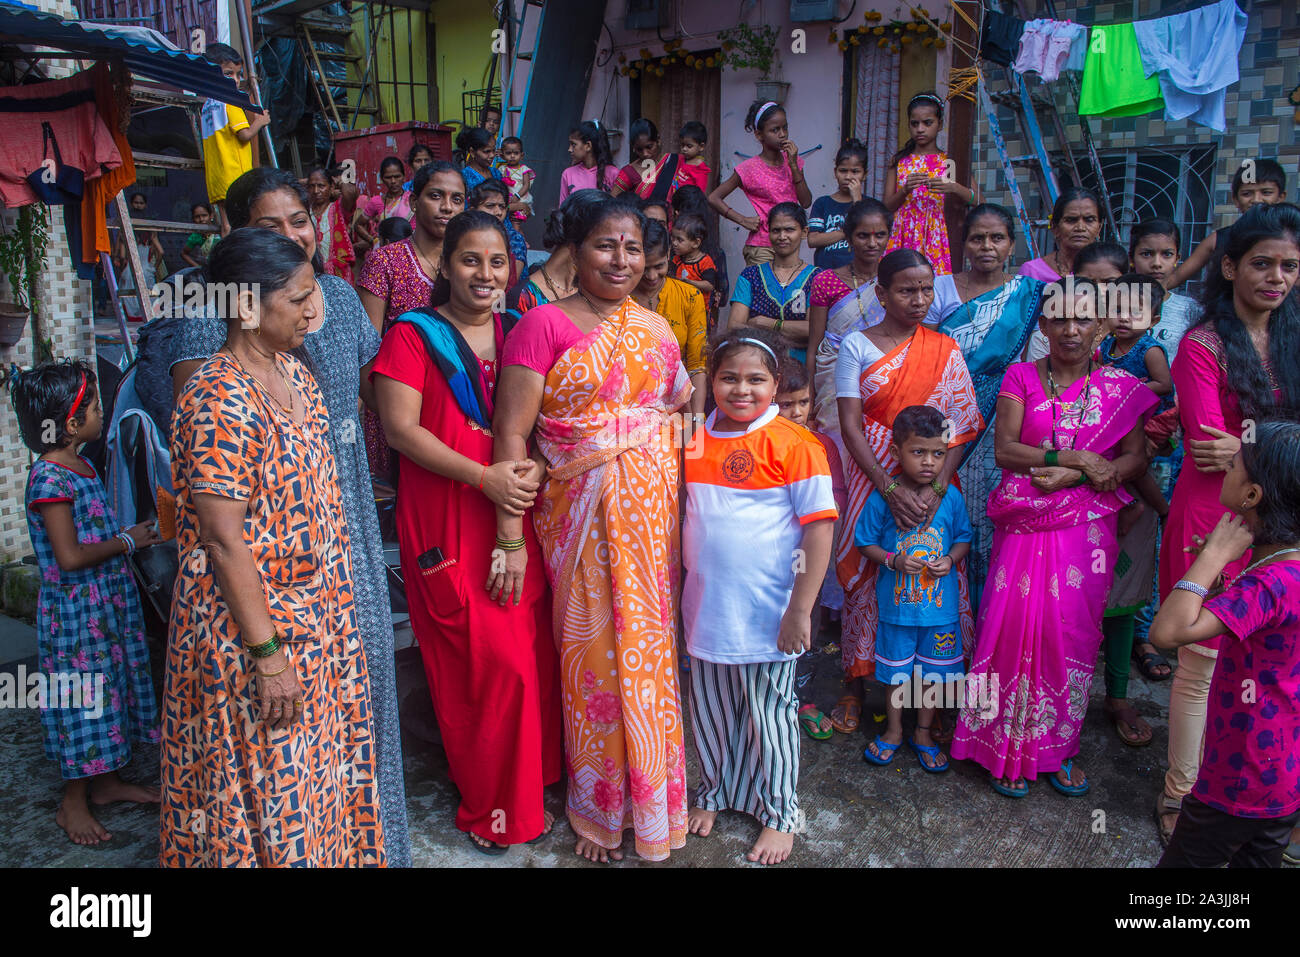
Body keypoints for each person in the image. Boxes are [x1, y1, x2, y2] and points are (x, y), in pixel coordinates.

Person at [168, 166, 412, 866]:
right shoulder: (218, 391)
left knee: (321, 770)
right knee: (265, 787)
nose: (315, 313)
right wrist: (269, 652)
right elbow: (221, 534)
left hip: (322, 603)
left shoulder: (295, 372)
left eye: (313, 292)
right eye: (299, 299)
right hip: (259, 620)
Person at [493, 196, 693, 863]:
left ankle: (655, 804)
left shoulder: (659, 330)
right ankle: (600, 806)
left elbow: (675, 417)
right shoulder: (541, 326)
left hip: (650, 525)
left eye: (633, 248)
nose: (622, 260)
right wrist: (511, 536)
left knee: (652, 657)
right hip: (578, 518)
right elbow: (514, 435)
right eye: (606, 245)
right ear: (573, 250)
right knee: (597, 664)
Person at [371, 210, 561, 854]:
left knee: (532, 652)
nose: (485, 274)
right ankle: (495, 810)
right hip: (449, 518)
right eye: (470, 260)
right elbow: (402, 431)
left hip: (517, 512)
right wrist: (485, 479)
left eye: (498, 261)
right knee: (487, 663)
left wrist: (525, 475)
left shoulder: (519, 331)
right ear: (443, 266)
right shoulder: (412, 335)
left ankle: (535, 782)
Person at [951, 276, 1157, 799]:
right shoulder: (1021, 376)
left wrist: (1082, 475)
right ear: (1041, 325)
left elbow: (1135, 457)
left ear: (1102, 325)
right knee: (1012, 623)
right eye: (1058, 318)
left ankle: (1058, 749)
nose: (1070, 329)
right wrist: (1072, 458)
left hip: (1085, 529)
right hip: (1024, 521)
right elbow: (1006, 451)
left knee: (1070, 631)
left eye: (1083, 318)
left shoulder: (1121, 389)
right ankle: (1000, 745)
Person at [1155, 202, 1300, 846]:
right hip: (1218, 510)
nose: (1278, 278)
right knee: (1201, 658)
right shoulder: (1202, 342)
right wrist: (1275, 442)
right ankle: (1182, 793)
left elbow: (1235, 443)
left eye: (1291, 266)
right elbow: (1209, 444)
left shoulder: (1296, 336)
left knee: (1276, 658)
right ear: (1232, 265)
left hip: (1285, 513)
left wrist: (1252, 440)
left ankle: (1269, 785)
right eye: (1263, 263)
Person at [682, 329, 836, 865]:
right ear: (711, 381)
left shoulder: (797, 444)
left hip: (769, 613)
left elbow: (819, 532)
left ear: (776, 384)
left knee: (770, 715)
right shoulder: (695, 437)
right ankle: (714, 793)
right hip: (705, 610)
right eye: (728, 377)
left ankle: (780, 813)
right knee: (710, 712)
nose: (741, 389)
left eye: (756, 379)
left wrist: (800, 609)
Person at [11, 361, 162, 845]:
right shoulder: (49, 480)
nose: (103, 414)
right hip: (77, 616)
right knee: (83, 701)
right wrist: (128, 541)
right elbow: (70, 557)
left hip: (105, 606)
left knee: (111, 692)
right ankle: (71, 801)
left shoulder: (83, 463)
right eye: (96, 407)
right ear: (73, 423)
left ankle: (106, 783)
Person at [834, 249, 982, 734]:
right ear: (881, 293)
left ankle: (929, 703)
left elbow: (959, 429)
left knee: (935, 576)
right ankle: (856, 686)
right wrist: (888, 486)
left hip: (934, 479)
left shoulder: (945, 348)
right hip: (871, 474)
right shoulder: (856, 344)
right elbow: (851, 426)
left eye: (925, 289)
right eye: (906, 290)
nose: (918, 300)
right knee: (867, 575)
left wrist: (936, 489)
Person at [1151, 421, 1300, 868]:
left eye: (1233, 466)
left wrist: (1211, 556)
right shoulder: (1285, 565)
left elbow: (1166, 634)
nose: (1225, 470)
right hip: (1283, 772)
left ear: (1251, 496)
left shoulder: (1272, 581)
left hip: (1240, 775)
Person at [934, 205, 1045, 613]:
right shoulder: (940, 288)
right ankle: (945, 619)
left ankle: (991, 616)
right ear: (964, 244)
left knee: (993, 515)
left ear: (1011, 245)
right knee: (945, 510)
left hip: (1004, 417)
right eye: (978, 238)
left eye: (996, 238)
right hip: (944, 417)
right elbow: (924, 353)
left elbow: (1033, 362)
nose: (986, 246)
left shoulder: (1027, 295)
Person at [855, 405, 972, 771]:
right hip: (897, 613)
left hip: (940, 615)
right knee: (894, 674)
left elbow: (965, 539)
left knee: (934, 676)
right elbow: (864, 541)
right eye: (918, 452)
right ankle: (893, 731)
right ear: (895, 452)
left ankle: (922, 731)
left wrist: (950, 561)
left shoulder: (950, 498)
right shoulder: (884, 499)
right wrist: (893, 561)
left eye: (938, 454)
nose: (928, 462)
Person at [1095, 274, 1174, 747]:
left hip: (1136, 472)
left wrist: (1126, 391)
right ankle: (1072, 692)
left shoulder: (1148, 353)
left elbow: (1163, 388)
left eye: (1135, 310)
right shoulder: (1096, 351)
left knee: (1122, 597)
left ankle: (1118, 693)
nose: (1124, 318)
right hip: (1092, 484)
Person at [358, 161, 467, 479]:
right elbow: (365, 352)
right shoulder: (385, 262)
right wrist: (396, 418)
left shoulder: (468, 264)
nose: (447, 207)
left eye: (457, 199)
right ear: (415, 201)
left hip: (457, 412)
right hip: (396, 414)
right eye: (436, 196)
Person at [775, 359, 847, 745]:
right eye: (786, 404)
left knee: (808, 619)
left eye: (802, 402)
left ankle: (800, 698)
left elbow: (832, 501)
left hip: (806, 552)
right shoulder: (760, 439)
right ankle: (773, 694)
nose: (796, 412)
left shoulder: (822, 445)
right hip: (769, 553)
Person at [807, 198, 892, 451]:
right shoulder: (826, 280)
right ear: (848, 237)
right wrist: (809, 400)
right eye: (863, 235)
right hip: (833, 375)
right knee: (837, 445)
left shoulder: (894, 280)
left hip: (885, 375)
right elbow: (815, 346)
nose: (872, 243)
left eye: (880, 235)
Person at [883, 92, 976, 276]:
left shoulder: (950, 160)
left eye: (928, 123)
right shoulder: (900, 160)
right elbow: (886, 207)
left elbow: (979, 200)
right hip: (904, 233)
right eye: (914, 123)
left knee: (936, 288)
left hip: (939, 235)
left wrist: (954, 187)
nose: (920, 129)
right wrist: (905, 190)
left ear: (940, 124)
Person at [709, 101, 811, 266]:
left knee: (786, 290)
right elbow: (714, 198)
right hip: (762, 246)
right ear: (759, 135)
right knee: (763, 290)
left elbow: (806, 202)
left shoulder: (794, 162)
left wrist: (793, 166)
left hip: (789, 243)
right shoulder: (749, 168)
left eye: (785, 128)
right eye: (775, 130)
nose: (782, 134)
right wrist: (743, 220)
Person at [1166, 158, 1288, 290]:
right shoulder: (1219, 239)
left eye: (1266, 192)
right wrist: (1143, 298)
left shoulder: (1292, 240)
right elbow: (1175, 278)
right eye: (1247, 193)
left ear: (1280, 197)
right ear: (1235, 200)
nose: (1256, 200)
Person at [727, 203, 819, 364]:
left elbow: (813, 330)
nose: (782, 236)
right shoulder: (750, 276)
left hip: (802, 369)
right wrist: (793, 334)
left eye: (789, 230)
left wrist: (767, 323)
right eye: (776, 230)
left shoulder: (817, 277)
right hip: (758, 367)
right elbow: (734, 327)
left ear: (804, 232)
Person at [632, 219, 707, 414]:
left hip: (680, 408)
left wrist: (697, 421)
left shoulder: (689, 296)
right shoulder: (619, 298)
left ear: (668, 255)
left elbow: (697, 366)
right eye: (644, 268)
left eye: (659, 266)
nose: (651, 276)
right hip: (630, 409)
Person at [200, 43, 269, 235]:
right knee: (242, 223)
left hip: (217, 177)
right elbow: (245, 135)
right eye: (229, 74)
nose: (236, 81)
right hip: (235, 174)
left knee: (226, 225)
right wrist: (261, 121)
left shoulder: (207, 106)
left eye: (238, 75)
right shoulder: (231, 101)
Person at [1129, 218, 1202, 362]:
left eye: (1167, 254)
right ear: (1131, 258)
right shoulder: (1114, 306)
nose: (1157, 263)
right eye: (1147, 254)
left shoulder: (1191, 310)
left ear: (1177, 259)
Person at [1017, 186, 1103, 283]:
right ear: (1054, 227)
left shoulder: (1109, 273)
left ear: (1099, 228)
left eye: (1089, 220)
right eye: (1070, 220)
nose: (1080, 228)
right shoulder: (1032, 272)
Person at [808, 139, 869, 270]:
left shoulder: (870, 205)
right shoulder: (822, 203)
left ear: (865, 175)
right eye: (843, 171)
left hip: (858, 273)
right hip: (826, 272)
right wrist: (845, 232)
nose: (848, 176)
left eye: (855, 171)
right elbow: (813, 240)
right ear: (835, 172)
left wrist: (857, 201)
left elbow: (866, 233)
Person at [113, 192, 166, 320]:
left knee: (128, 292)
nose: (138, 205)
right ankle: (148, 316)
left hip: (130, 270)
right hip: (146, 269)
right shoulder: (149, 227)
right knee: (149, 294)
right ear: (132, 203)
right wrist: (153, 268)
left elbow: (121, 251)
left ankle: (133, 316)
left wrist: (120, 260)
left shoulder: (126, 226)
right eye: (136, 202)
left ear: (145, 204)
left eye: (140, 203)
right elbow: (161, 252)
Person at [612, 117, 685, 204]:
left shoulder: (674, 161)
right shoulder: (629, 172)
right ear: (634, 148)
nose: (645, 153)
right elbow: (612, 203)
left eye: (649, 147)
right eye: (639, 150)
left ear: (658, 140)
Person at [469, 178, 528, 283]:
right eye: (490, 206)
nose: (498, 212)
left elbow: (509, 282)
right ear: (473, 210)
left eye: (502, 207)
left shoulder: (514, 239)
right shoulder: (466, 236)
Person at [670, 213, 722, 332]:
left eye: (680, 240)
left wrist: (689, 283)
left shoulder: (705, 262)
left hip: (700, 312)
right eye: (673, 238)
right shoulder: (676, 259)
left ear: (696, 243)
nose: (674, 243)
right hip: (680, 310)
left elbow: (709, 285)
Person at [306, 166, 358, 283]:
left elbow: (350, 193)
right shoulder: (304, 212)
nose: (316, 191)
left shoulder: (338, 209)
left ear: (331, 187)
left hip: (339, 274)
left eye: (321, 186)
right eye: (311, 186)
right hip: (312, 273)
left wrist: (338, 181)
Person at [559, 120, 618, 199]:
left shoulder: (613, 173)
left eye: (573, 144)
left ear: (588, 146)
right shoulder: (568, 174)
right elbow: (563, 209)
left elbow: (619, 209)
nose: (569, 149)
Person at [500, 136, 534, 222]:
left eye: (516, 153)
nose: (512, 156)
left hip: (520, 197)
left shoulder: (524, 169)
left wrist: (517, 196)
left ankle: (518, 235)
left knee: (516, 222)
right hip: (508, 199)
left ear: (522, 155)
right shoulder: (502, 169)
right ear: (502, 156)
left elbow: (526, 185)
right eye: (508, 153)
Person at [456, 127, 499, 192]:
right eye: (487, 151)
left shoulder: (496, 173)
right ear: (472, 152)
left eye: (494, 150)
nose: (492, 155)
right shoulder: (465, 177)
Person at [677, 120, 712, 193]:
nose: (684, 149)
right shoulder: (681, 159)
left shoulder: (700, 168)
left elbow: (699, 193)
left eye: (689, 146)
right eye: (682, 145)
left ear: (701, 147)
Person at [180, 203, 217, 270]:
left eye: (204, 215)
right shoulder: (195, 236)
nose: (201, 219)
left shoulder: (219, 230)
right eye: (197, 217)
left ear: (211, 216)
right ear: (193, 219)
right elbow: (184, 254)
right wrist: (198, 268)